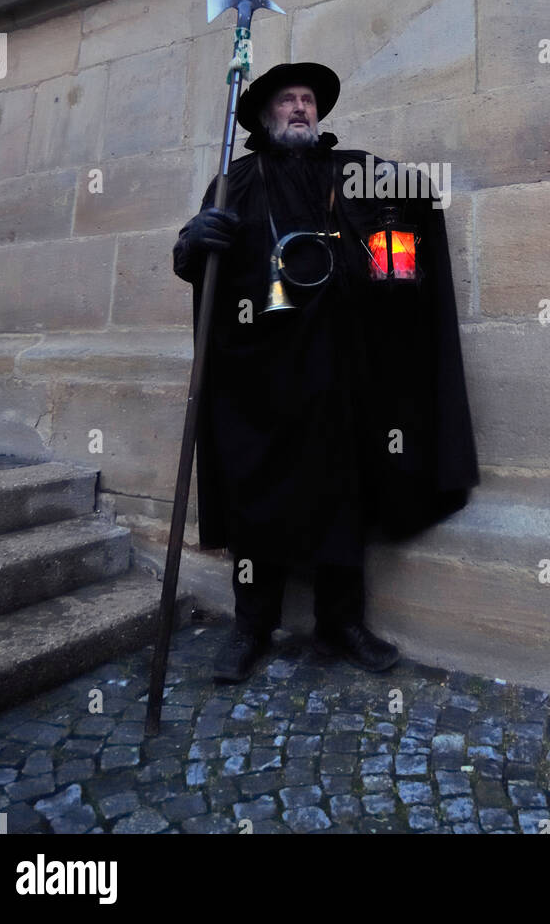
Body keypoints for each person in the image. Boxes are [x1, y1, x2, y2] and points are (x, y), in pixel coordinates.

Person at [172, 62, 478, 682]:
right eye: (287, 101)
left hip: (338, 371)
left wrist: (403, 189)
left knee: (344, 494)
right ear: (263, 116)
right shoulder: (234, 182)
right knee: (257, 497)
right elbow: (191, 263)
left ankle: (341, 623)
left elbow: (414, 204)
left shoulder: (351, 173)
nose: (300, 108)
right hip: (258, 377)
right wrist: (192, 238)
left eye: (307, 100)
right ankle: (252, 626)